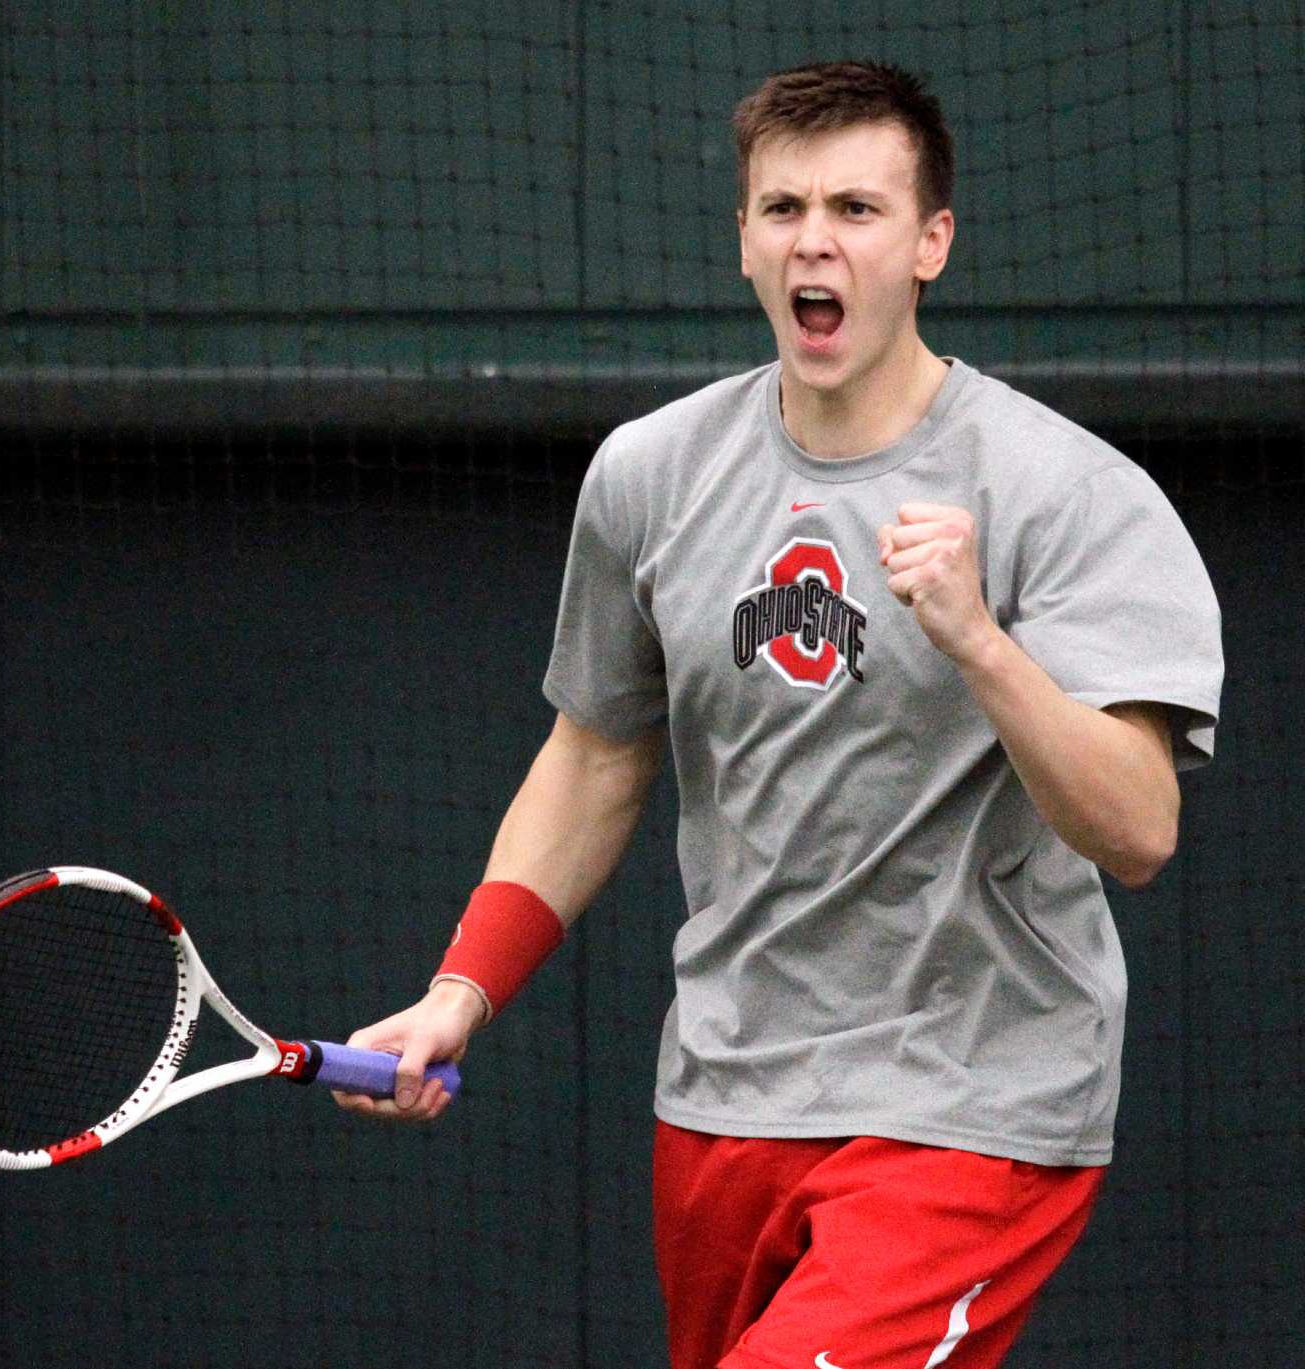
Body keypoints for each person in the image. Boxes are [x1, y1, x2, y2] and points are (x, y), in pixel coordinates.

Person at [332, 60, 1224, 1368]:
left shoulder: (1062, 494)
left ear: (931, 244)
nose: (817, 238)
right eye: (784, 207)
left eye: (859, 210)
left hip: (966, 1110)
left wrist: (981, 639)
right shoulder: (653, 477)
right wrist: (463, 987)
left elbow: (1140, 828)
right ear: (744, 239)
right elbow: (594, 758)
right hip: (722, 1102)